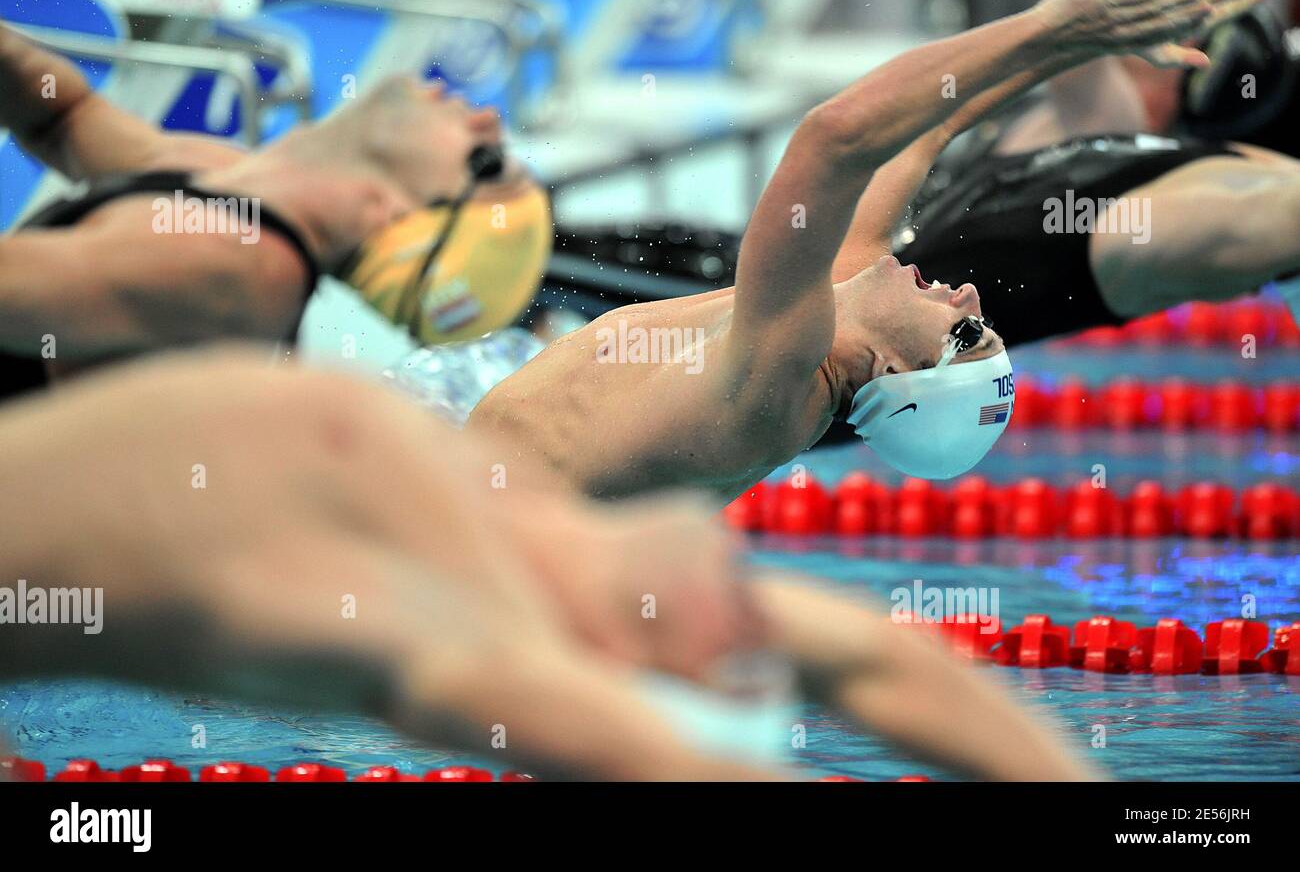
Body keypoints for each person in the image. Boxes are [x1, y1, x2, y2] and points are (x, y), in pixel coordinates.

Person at [0, 349, 1096, 780]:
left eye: (737, 667)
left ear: (614, 670)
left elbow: (671, 767)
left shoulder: (423, 630)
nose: (760, 620)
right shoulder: (540, 528)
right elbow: (875, 663)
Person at [466, 0, 1250, 496]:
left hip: (466, 562)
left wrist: (1054, 27)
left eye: (967, 335)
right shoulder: (833, 324)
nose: (972, 297)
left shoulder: (776, 383)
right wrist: (1085, 36)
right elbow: (930, 128)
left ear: (897, 377)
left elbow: (831, 139)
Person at [0, 22, 551, 400]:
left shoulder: (224, 265)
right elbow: (64, 120)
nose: (488, 120)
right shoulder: (232, 189)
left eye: (486, 160)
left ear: (396, 220)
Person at [855, 0, 1297, 348]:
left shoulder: (1114, 126)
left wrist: (1077, 35)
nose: (1156, 28)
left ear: (1184, 80)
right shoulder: (1122, 136)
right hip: (891, 309)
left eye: (1179, 29)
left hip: (887, 332)